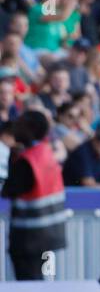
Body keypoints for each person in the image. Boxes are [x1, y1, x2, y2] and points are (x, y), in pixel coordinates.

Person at [2, 109, 69, 279]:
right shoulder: (45, 152)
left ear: (31, 129)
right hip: (48, 235)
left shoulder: (27, 160)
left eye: (20, 123)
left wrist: (12, 159)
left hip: (28, 239)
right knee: (41, 281)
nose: (15, 127)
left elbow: (9, 190)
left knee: (30, 283)